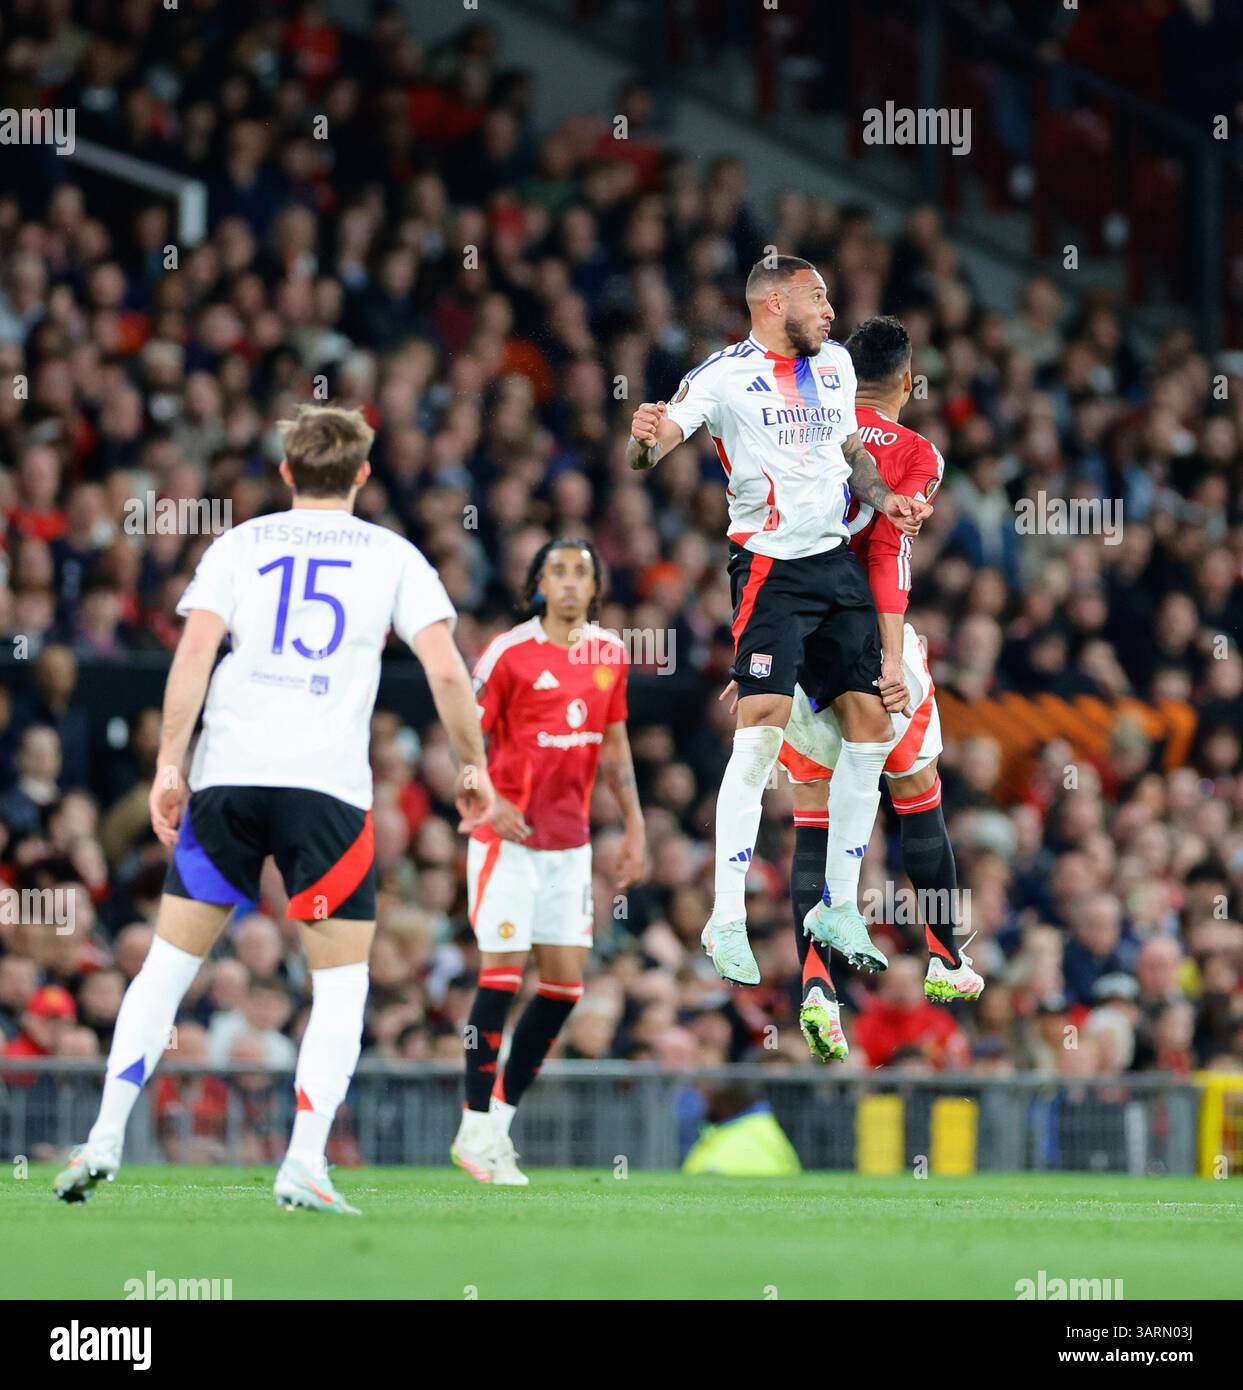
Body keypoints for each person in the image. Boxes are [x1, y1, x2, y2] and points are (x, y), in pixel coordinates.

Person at [54, 404, 494, 1214]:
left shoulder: (239, 544)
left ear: (288, 471)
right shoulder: (394, 557)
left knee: (165, 969)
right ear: (362, 474)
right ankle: (302, 1160)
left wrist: (166, 764)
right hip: (325, 788)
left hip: (227, 776)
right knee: (340, 987)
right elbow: (444, 670)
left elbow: (193, 652)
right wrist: (472, 766)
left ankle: (105, 1136)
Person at [627, 256, 929, 988]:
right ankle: (725, 915)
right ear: (771, 302)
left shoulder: (830, 366)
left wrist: (884, 500)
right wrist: (642, 438)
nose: (831, 310)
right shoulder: (722, 375)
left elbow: (849, 450)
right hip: (767, 572)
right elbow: (650, 452)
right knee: (759, 731)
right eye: (817, 296)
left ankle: (839, 907)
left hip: (833, 567)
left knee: (872, 725)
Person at [771, 316, 985, 1062]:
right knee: (915, 795)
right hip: (871, 645)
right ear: (907, 378)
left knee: (813, 826)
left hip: (795, 649)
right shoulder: (915, 452)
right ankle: (944, 958)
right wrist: (892, 659)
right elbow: (887, 553)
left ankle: (816, 990)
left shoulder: (797, 432)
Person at [452, 538, 646, 1184]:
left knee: (564, 987)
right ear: (537, 585)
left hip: (570, 846)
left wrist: (635, 828)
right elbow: (464, 734)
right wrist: (487, 794)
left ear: (595, 587)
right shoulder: (508, 652)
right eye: (555, 572)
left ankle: (495, 1127)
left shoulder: (609, 653)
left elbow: (614, 747)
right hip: (506, 843)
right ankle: (472, 1124)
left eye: (580, 573)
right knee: (501, 976)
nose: (567, 583)